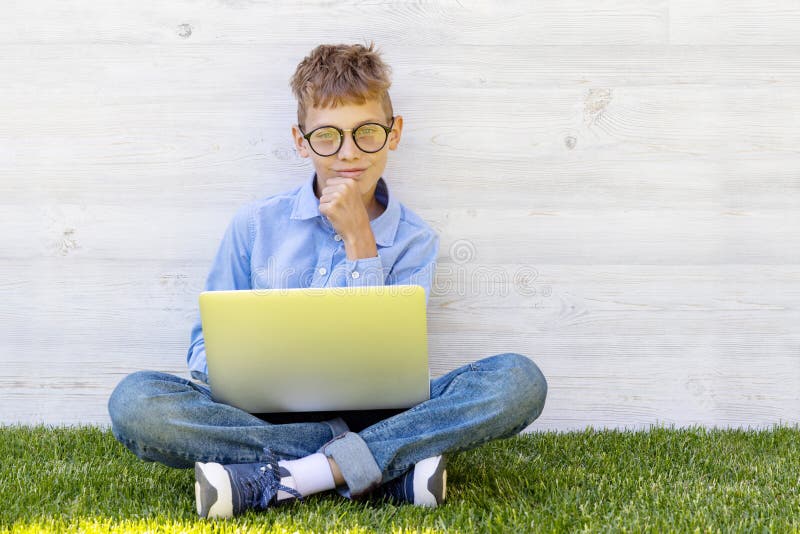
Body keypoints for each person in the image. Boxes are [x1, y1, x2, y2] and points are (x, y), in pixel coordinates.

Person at [108, 41, 547, 519]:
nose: (348, 153)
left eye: (367, 133)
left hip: (383, 414)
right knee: (135, 401)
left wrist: (361, 241)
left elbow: (386, 360)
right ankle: (384, 469)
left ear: (394, 133)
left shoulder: (416, 240)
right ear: (301, 141)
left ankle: (292, 477)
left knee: (518, 380)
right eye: (327, 137)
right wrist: (256, 375)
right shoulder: (254, 224)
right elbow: (201, 352)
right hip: (264, 417)